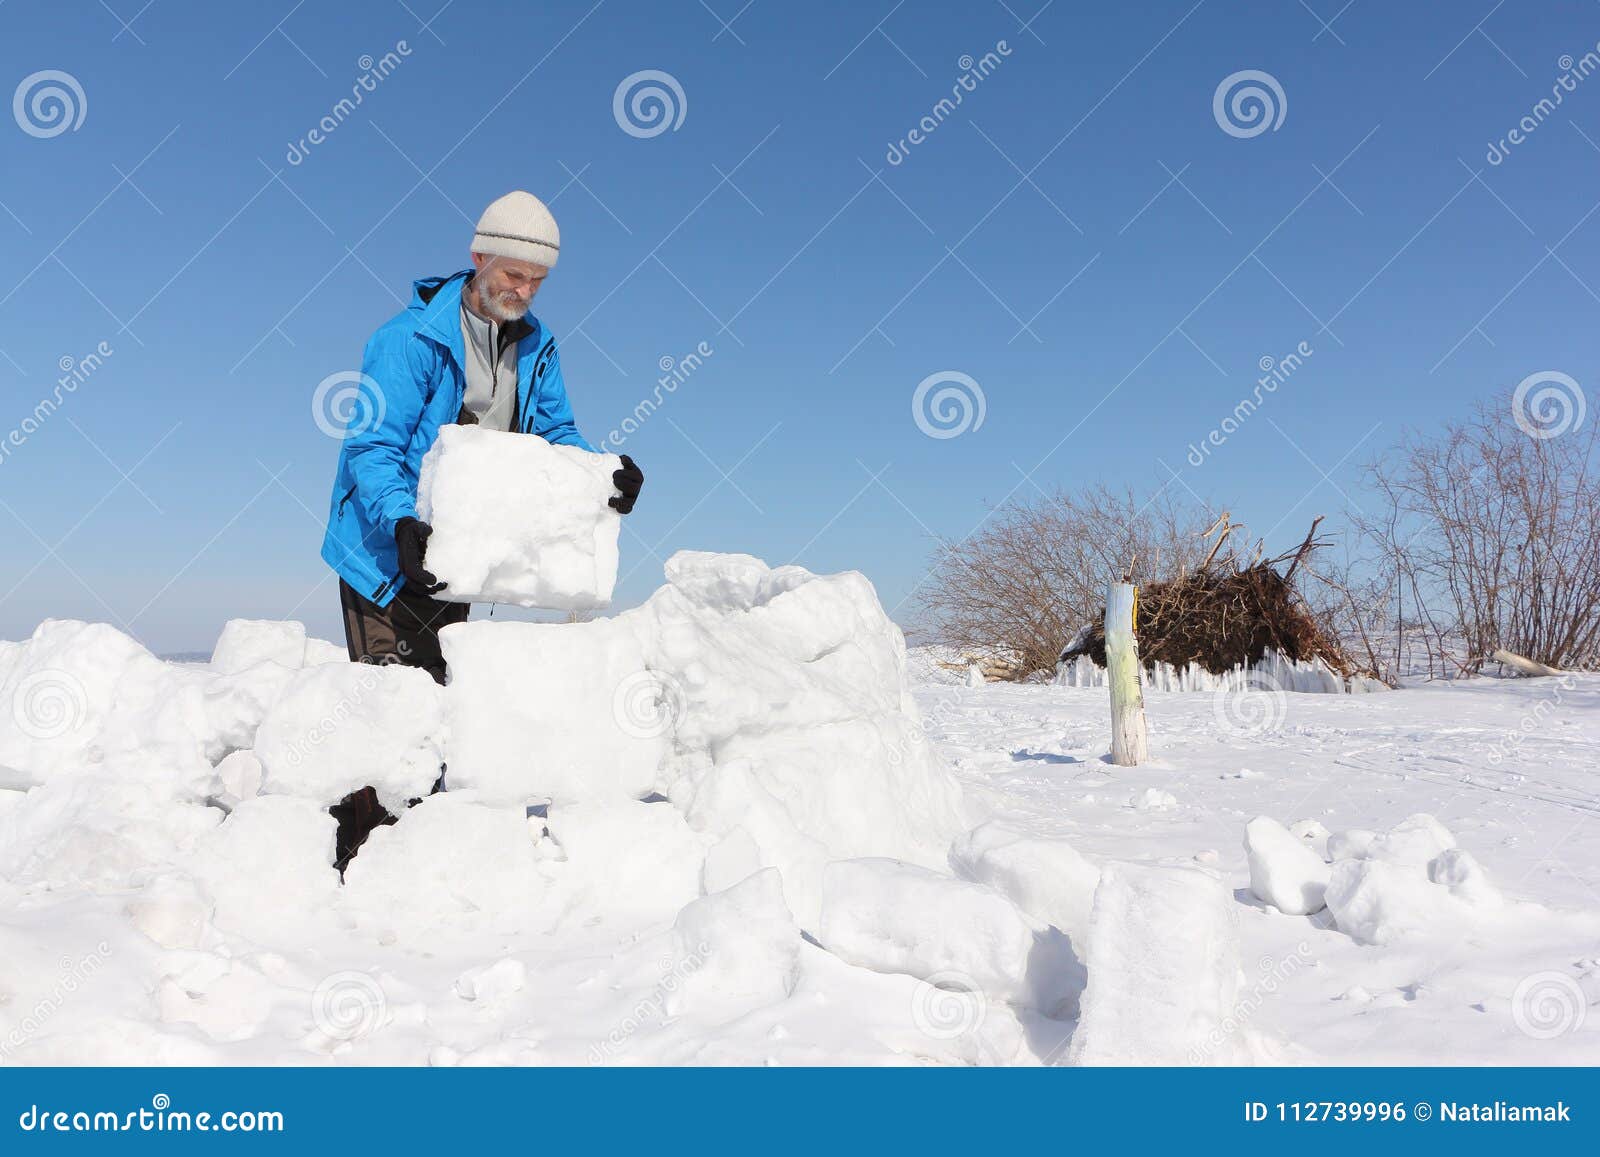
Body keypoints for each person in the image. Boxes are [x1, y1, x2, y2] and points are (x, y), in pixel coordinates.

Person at [318, 190, 644, 870]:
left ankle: (419, 859)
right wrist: (402, 522)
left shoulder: (536, 345)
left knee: (440, 704)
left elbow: (554, 436)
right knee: (390, 714)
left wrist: (603, 475)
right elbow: (372, 446)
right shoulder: (408, 340)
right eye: (511, 275)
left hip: (454, 556)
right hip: (387, 550)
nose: (523, 290)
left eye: (537, 280)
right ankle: (354, 863)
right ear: (478, 257)